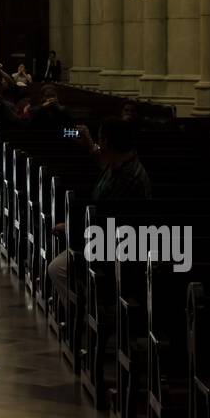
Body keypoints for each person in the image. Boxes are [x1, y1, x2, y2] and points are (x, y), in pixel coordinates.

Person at [47, 119, 151, 313]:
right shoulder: (121, 163)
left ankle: (81, 314)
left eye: (101, 140)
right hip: (112, 238)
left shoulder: (127, 178)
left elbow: (110, 220)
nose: (99, 144)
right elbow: (102, 161)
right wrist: (89, 144)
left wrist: (71, 229)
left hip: (116, 248)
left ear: (109, 144)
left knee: (57, 268)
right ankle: (83, 303)